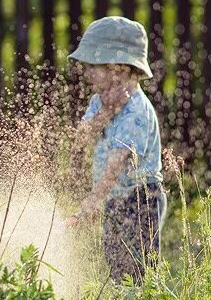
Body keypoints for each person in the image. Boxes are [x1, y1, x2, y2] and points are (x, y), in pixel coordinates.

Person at [65, 15, 166, 283]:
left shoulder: (138, 112)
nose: (86, 73)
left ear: (118, 68)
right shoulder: (100, 101)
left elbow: (117, 163)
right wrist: (106, 112)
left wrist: (95, 199)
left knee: (137, 264)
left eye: (92, 66)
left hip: (141, 199)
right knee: (115, 259)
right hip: (115, 197)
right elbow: (80, 139)